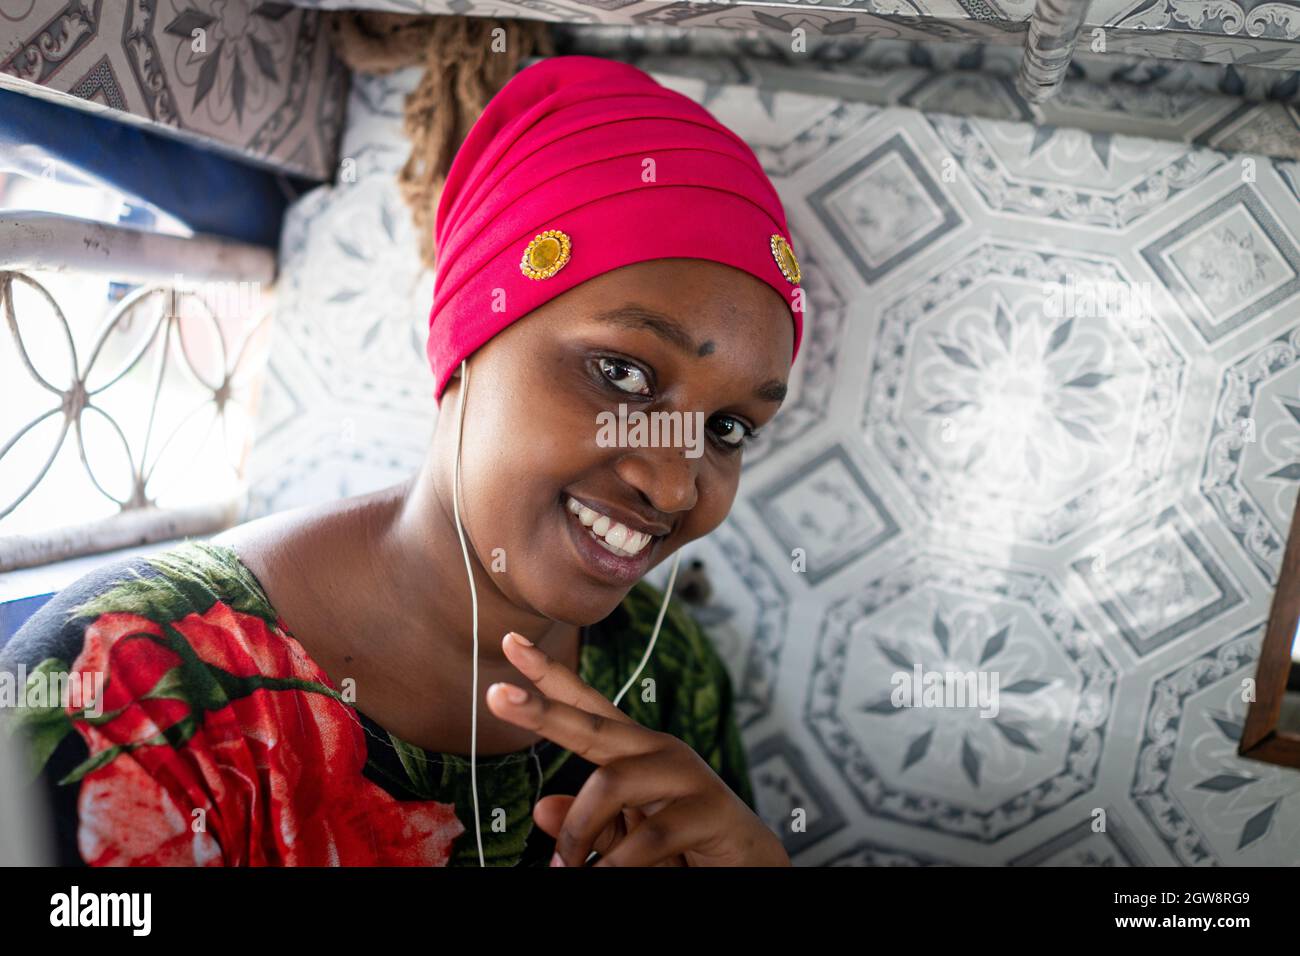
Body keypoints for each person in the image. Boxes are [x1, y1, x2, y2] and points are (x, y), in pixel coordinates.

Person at [0, 54, 804, 867]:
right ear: (468, 344)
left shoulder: (665, 677)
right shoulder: (128, 692)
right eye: (623, 375)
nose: (674, 481)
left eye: (730, 429)